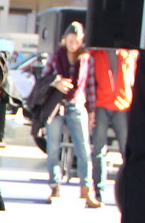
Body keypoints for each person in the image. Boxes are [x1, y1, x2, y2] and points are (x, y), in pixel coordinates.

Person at [42, 21, 102, 207]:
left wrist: (92, 111)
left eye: (76, 41)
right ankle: (55, 187)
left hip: (77, 104)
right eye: (70, 40)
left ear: (81, 40)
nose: (73, 44)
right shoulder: (55, 56)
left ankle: (86, 190)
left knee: (83, 148)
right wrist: (55, 82)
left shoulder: (86, 59)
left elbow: (90, 85)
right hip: (56, 105)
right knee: (53, 147)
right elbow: (43, 79)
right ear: (64, 39)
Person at [88, 47, 136, 206]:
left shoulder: (128, 54)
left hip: (122, 105)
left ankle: (128, 190)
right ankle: (99, 192)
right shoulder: (97, 53)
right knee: (99, 150)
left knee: (126, 151)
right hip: (102, 104)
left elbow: (133, 79)